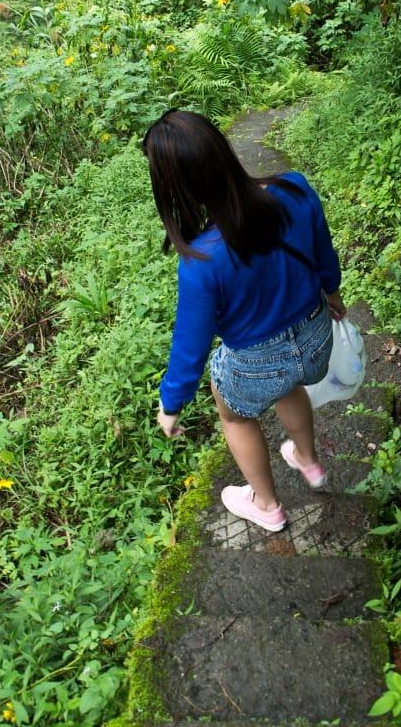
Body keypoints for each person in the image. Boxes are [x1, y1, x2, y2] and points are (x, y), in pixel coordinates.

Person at [142, 109, 346, 532]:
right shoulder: (295, 189)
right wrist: (334, 293)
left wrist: (171, 404)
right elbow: (324, 251)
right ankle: (308, 462)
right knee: (287, 383)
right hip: (315, 338)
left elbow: (191, 343)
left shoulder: (201, 260)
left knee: (234, 413)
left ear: (174, 187)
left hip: (257, 363)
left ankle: (266, 505)